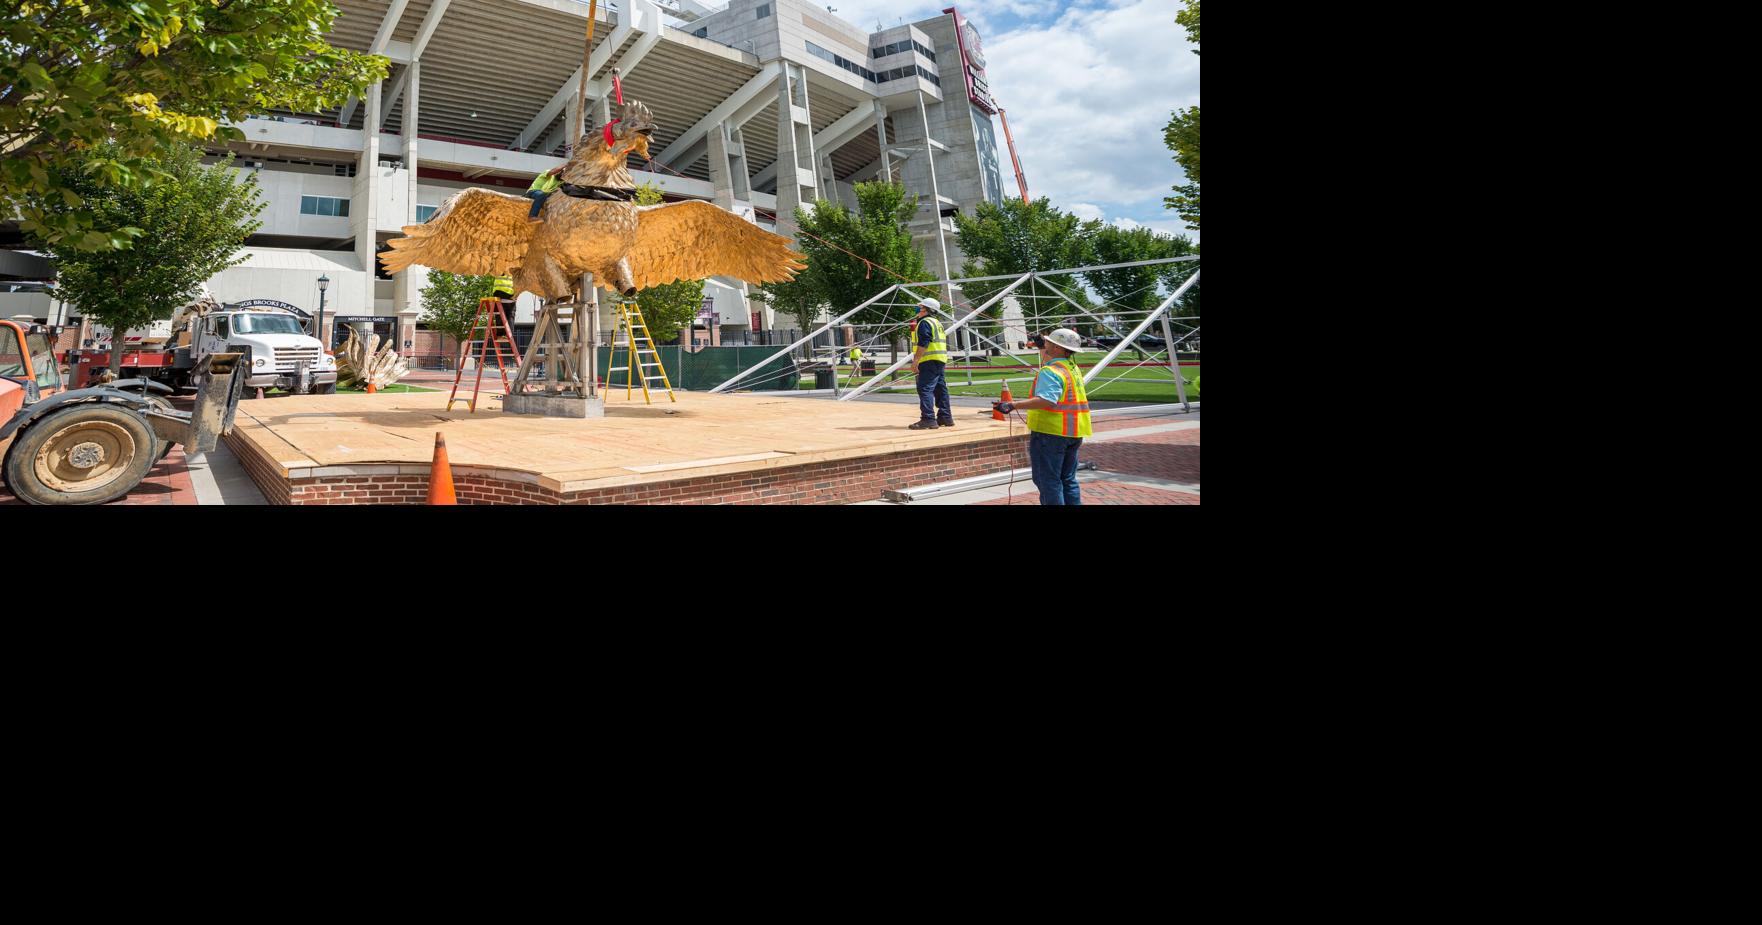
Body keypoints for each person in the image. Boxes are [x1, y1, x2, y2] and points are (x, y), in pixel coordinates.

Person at [992, 328, 1091, 505]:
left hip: (1050, 433)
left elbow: (1046, 400)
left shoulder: (1050, 371)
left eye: (1049, 343)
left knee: (1048, 481)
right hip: (1074, 431)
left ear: (1058, 348)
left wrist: (1012, 405)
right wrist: (1043, 347)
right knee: (1067, 479)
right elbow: (1052, 363)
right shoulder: (1072, 368)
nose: (1046, 345)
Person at [907, 296, 954, 430]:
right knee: (940, 389)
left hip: (928, 360)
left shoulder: (924, 323)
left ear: (927, 309)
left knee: (925, 388)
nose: (917, 309)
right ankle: (945, 417)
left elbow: (924, 343)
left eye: (920, 307)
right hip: (939, 359)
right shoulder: (937, 323)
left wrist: (916, 361)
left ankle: (928, 419)